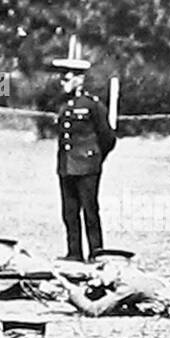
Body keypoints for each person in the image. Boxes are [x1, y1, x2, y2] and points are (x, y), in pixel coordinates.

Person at [53, 57, 116, 261]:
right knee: (69, 212)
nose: (62, 81)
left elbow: (107, 137)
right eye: (62, 78)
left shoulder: (92, 105)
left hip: (87, 166)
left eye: (67, 78)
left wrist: (95, 160)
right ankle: (74, 253)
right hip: (67, 166)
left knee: (90, 212)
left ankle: (96, 253)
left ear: (79, 80)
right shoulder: (63, 105)